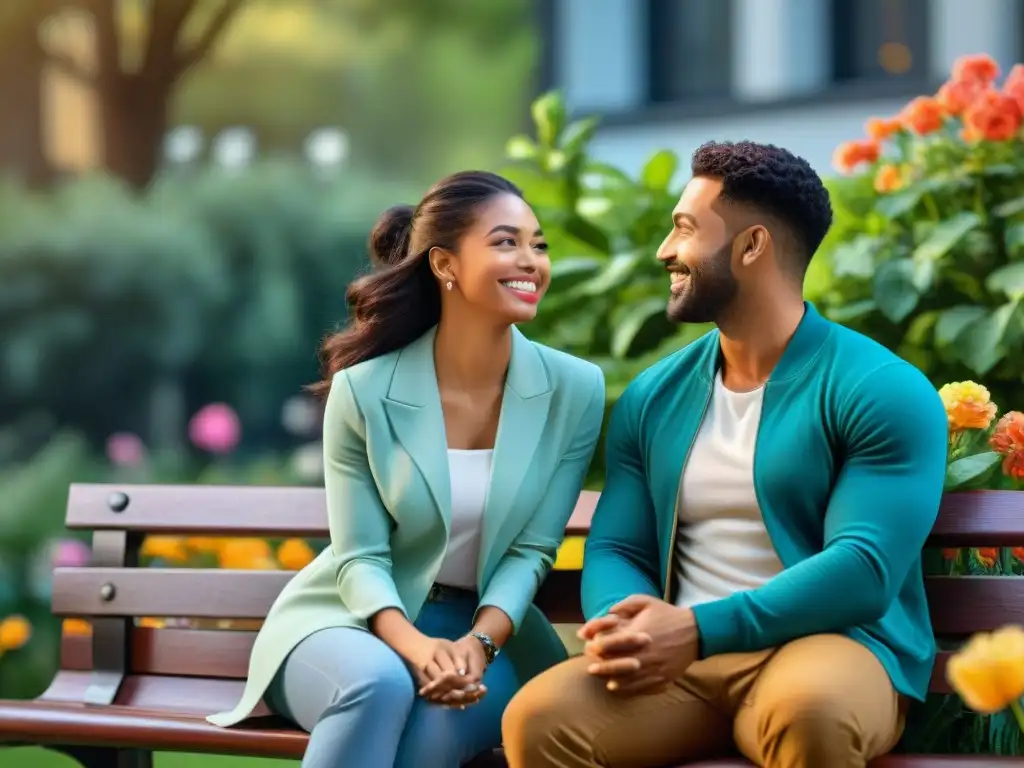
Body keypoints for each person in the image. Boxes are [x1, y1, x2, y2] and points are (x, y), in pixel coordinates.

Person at [501, 141, 948, 768]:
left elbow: (864, 568)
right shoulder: (655, 396)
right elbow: (619, 547)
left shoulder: (880, 388)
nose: (664, 251)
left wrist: (697, 630)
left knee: (809, 711)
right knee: (542, 718)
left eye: (684, 229)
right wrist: (623, 626)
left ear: (752, 246)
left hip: (832, 645)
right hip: (680, 661)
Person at [207, 170, 606, 768]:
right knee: (379, 685)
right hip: (351, 622)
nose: (531, 261)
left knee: (439, 726)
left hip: (490, 634)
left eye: (538, 244)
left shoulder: (575, 389)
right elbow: (360, 556)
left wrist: (478, 644)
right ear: (445, 264)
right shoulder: (365, 391)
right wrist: (415, 647)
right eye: (505, 242)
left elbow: (532, 551)